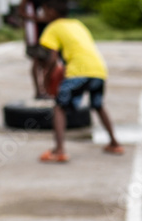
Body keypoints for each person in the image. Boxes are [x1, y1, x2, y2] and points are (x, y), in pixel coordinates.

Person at [36, 0, 122, 162]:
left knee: (59, 107)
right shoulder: (77, 24)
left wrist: (46, 80)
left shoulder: (52, 28)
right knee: (98, 105)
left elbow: (52, 59)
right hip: (98, 70)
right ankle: (114, 143)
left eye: (44, 11)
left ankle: (59, 150)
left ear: (52, 11)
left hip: (78, 72)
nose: (42, 15)